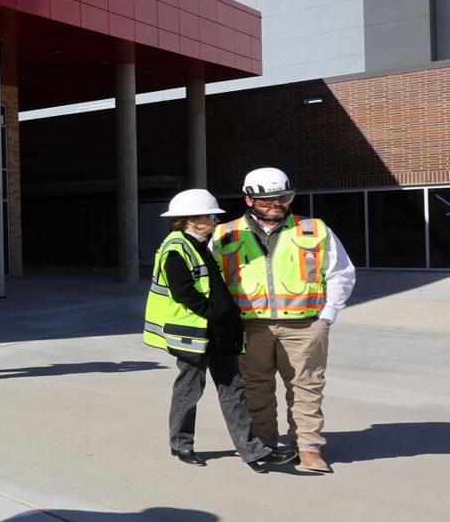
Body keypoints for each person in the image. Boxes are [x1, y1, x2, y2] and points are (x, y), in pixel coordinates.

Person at [214, 167, 357, 474]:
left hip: (305, 325)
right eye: (268, 200)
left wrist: (327, 316)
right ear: (249, 199)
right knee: (256, 387)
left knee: (306, 386)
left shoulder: (315, 229)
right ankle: (264, 443)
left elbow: (341, 273)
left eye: (284, 197)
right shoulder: (224, 234)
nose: (277, 204)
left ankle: (307, 448)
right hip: (249, 326)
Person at [144, 189, 297, 473]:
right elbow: (184, 294)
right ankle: (181, 444)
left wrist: (227, 320)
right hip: (194, 335)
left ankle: (252, 450)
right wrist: (216, 314)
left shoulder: (201, 243)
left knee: (234, 390)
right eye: (211, 215)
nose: (215, 220)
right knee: (189, 391)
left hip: (219, 334)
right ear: (191, 220)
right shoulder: (176, 248)